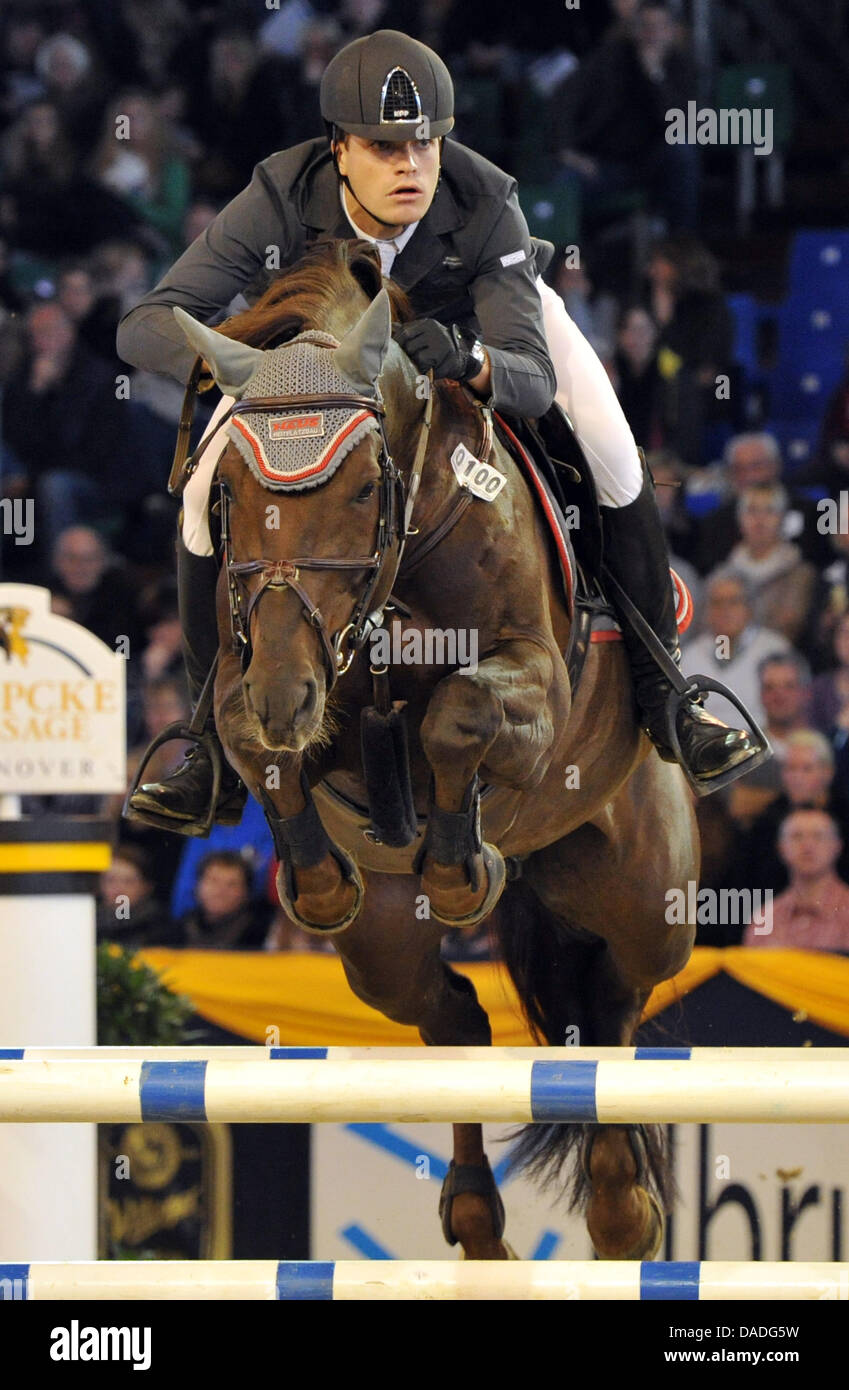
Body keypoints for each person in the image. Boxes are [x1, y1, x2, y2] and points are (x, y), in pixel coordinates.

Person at [117, 28, 758, 834]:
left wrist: (469, 358)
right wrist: (274, 369)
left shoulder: (485, 197)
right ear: (338, 149)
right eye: (383, 148)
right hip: (323, 371)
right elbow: (142, 328)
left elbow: (528, 374)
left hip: (484, 335)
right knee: (202, 486)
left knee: (610, 449)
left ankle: (669, 695)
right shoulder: (279, 191)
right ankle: (208, 741)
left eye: (423, 144)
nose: (409, 166)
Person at [743, 808, 849, 952]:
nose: (807, 846)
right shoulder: (767, 917)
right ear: (781, 848)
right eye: (797, 836)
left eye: (818, 836)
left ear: (837, 846)